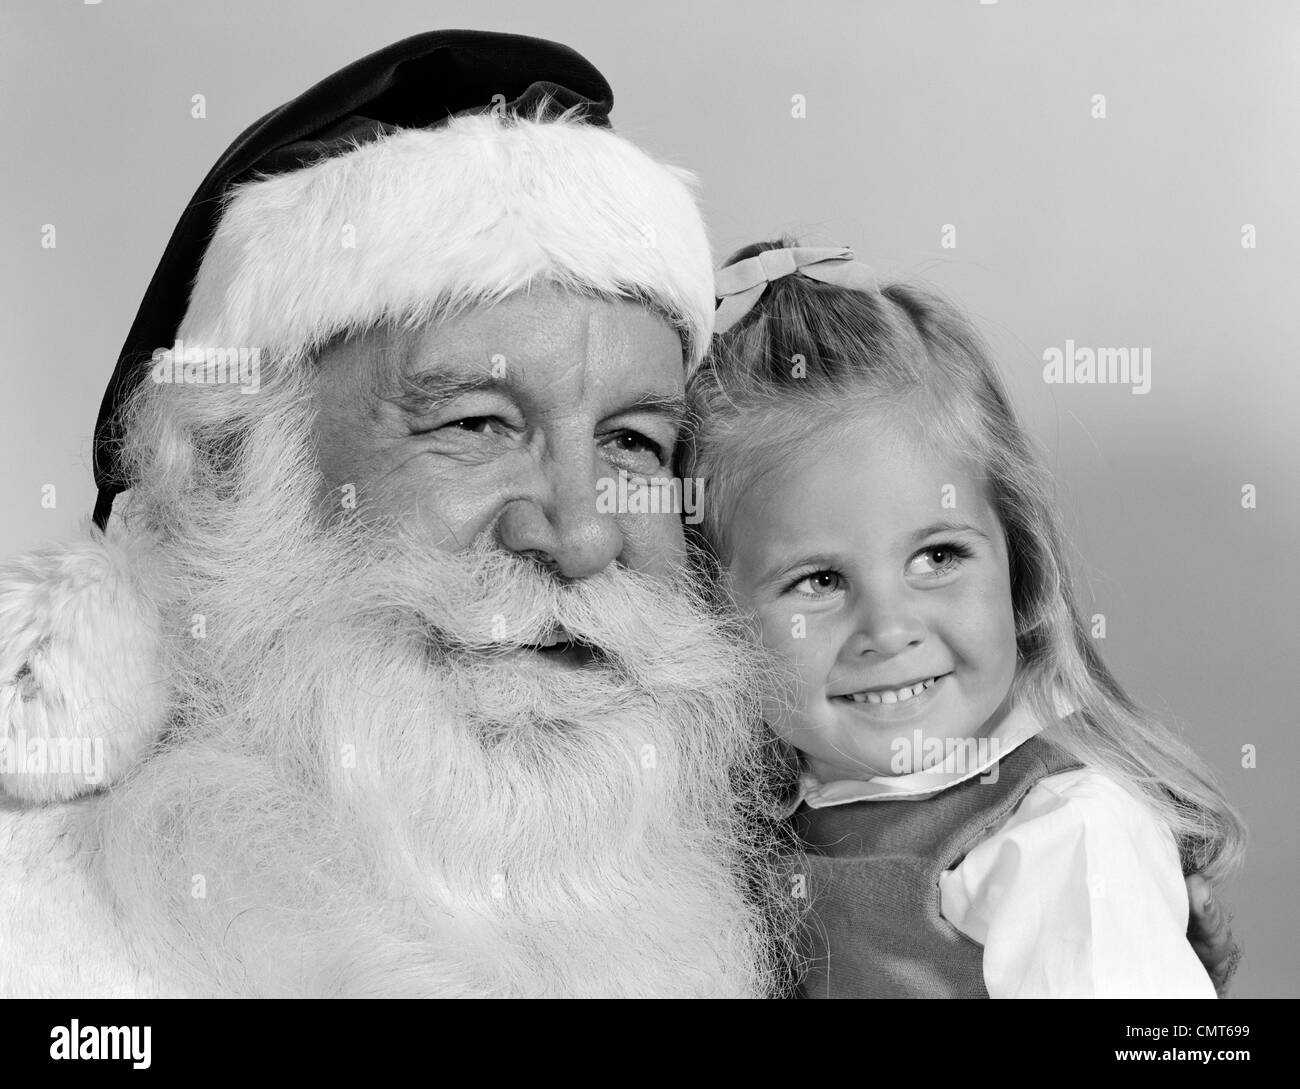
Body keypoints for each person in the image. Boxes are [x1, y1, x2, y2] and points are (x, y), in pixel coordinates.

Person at [0, 32, 1236, 999]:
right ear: (235, 474)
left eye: (638, 445)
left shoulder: (738, 871)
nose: (581, 533)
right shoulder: (47, 948)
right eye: (475, 422)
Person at [684, 240, 1246, 997]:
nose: (889, 629)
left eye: (938, 557)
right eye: (818, 579)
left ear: (1017, 563)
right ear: (714, 616)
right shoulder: (759, 814)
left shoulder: (1063, 835)